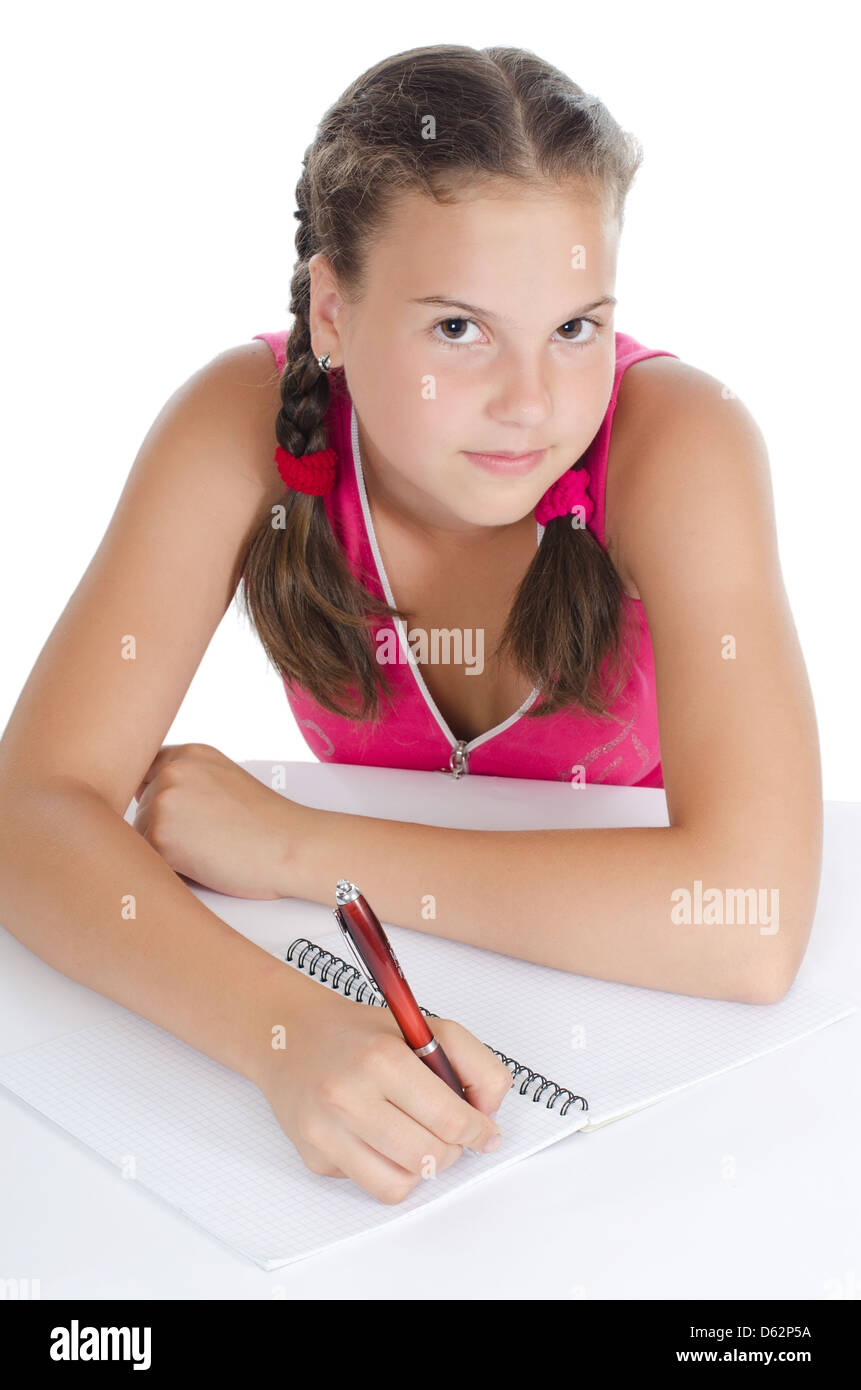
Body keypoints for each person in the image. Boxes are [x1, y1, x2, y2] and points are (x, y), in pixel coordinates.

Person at [0, 44, 822, 1206]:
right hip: (415, 986)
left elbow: (748, 924)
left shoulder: (681, 443)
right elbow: (28, 813)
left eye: (576, 327)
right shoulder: (239, 423)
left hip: (653, 1046)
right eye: (458, 330)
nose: (533, 404)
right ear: (332, 308)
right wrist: (287, 1035)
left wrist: (295, 848)